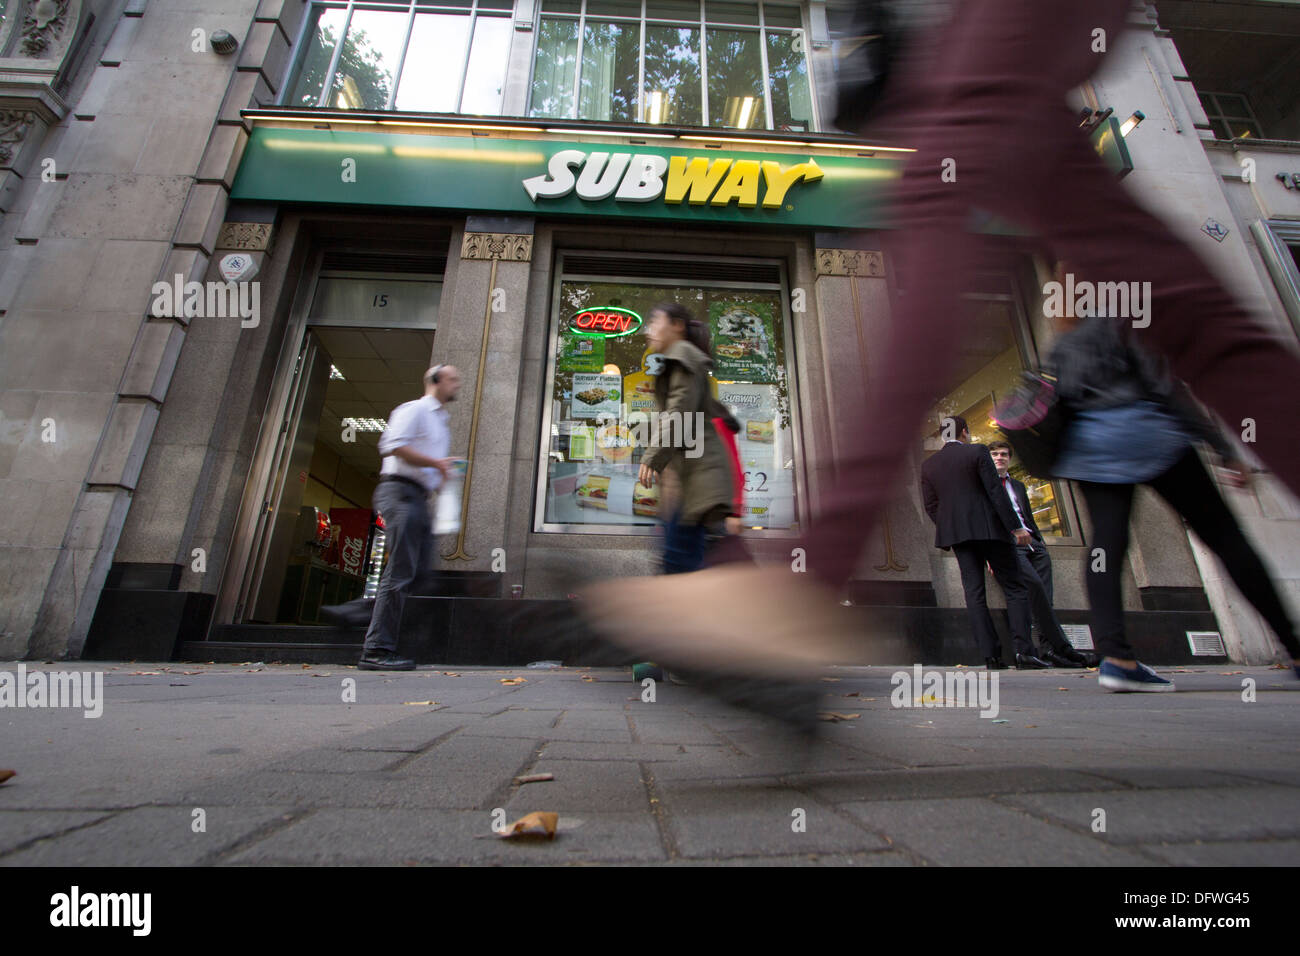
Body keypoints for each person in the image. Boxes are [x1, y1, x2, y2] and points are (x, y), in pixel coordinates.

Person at [580, 0, 1300, 712]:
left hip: (982, 45)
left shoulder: (690, 369)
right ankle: (801, 601)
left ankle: (801, 602)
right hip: (983, 47)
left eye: (655, 323)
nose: (648, 332)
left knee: (956, 231)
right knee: (1181, 300)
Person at [1046, 311, 1300, 691]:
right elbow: (1166, 387)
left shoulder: (1061, 344)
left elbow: (1059, 401)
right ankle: (1293, 647)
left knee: (1105, 545)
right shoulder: (1125, 324)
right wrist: (1221, 447)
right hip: (1153, 436)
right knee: (1225, 537)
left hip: (1092, 450)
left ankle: (1115, 657)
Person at [320, 364, 462, 670]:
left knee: (420, 574)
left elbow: (429, 468)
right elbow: (392, 446)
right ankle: (376, 650)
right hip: (399, 493)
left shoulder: (441, 422)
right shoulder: (414, 410)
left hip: (418, 498)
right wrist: (436, 463)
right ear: (435, 381)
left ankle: (354, 613)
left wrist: (443, 472)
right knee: (400, 573)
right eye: (453, 380)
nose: (457, 385)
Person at [920, 416, 1043, 669]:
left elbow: (931, 506)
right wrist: (1016, 526)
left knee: (974, 593)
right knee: (1015, 588)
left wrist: (950, 526)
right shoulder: (977, 452)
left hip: (959, 537)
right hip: (991, 531)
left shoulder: (929, 465)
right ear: (964, 432)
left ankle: (991, 656)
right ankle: (1024, 652)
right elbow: (994, 491)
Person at [639, 303, 741, 573]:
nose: (649, 330)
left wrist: (652, 458)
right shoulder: (676, 359)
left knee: (680, 567)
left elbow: (679, 413)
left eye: (655, 321)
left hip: (691, 484)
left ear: (677, 326)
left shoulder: (682, 355)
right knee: (682, 563)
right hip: (686, 482)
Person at [987, 440, 1093, 668]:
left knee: (1045, 596)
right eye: (995, 454)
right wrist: (990, 555)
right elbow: (987, 521)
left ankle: (1049, 651)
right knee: (1033, 587)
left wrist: (1039, 541)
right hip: (1009, 545)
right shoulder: (986, 487)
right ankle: (1062, 648)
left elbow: (1028, 517)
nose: (999, 458)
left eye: (1004, 454)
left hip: (1035, 546)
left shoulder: (1018, 486)